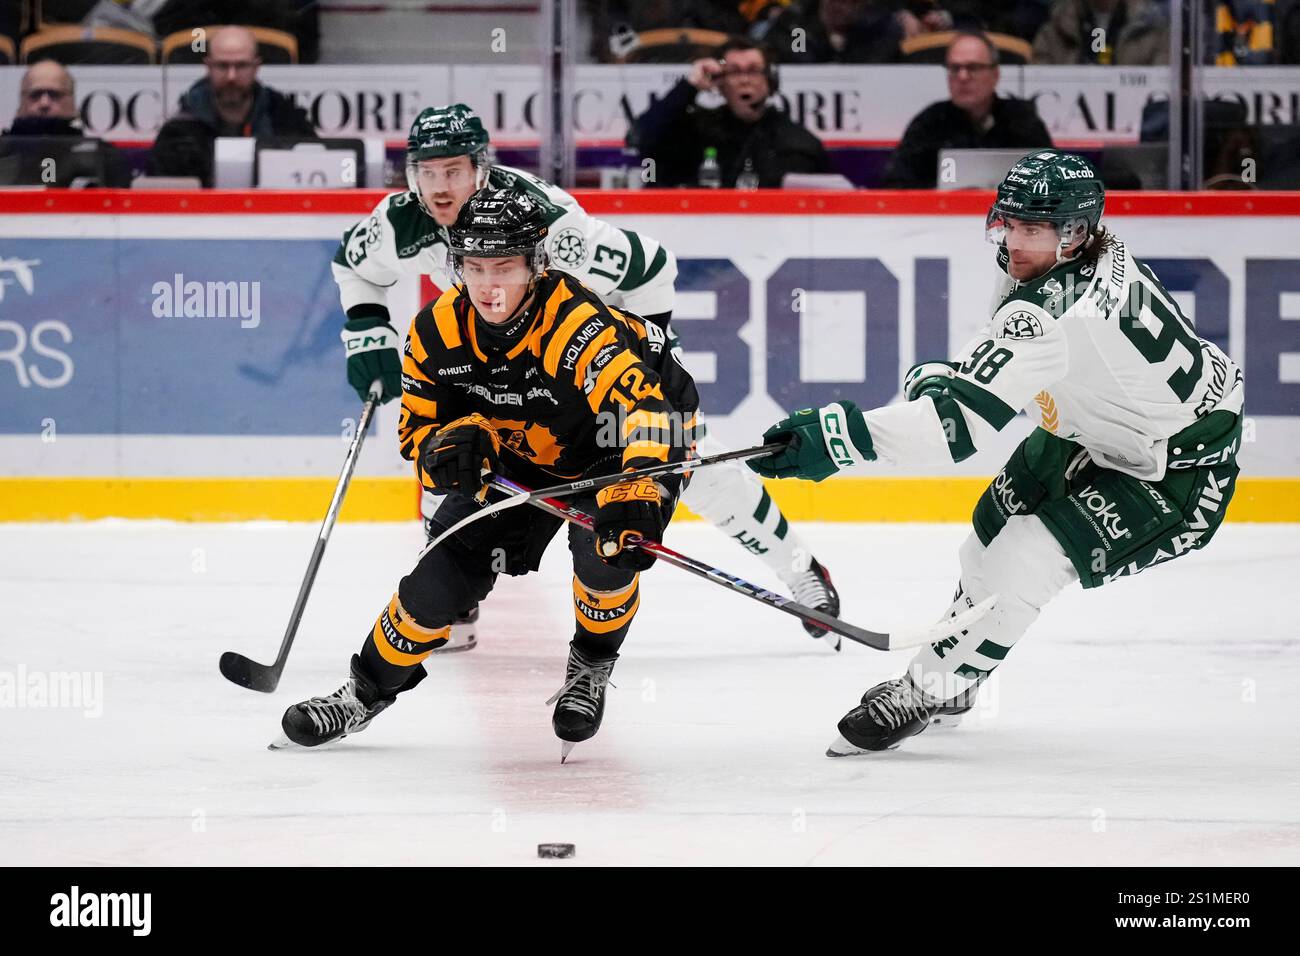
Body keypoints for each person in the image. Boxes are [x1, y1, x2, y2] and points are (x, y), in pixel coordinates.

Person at [749, 150, 1245, 755]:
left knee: (1019, 562)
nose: (1013, 241)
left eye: (1032, 229)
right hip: (1102, 431)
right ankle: (961, 669)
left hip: (1180, 474)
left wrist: (836, 438)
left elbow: (954, 431)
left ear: (1074, 233)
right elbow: (1017, 369)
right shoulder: (1080, 257)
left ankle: (927, 688)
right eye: (1009, 222)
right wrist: (956, 383)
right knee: (988, 530)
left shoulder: (1053, 309)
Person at [335, 103, 841, 652]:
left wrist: (642, 363)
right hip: (500, 361)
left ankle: (800, 571)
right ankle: (457, 600)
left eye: (453, 170)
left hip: (589, 356)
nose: (439, 187)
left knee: (692, 459)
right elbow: (355, 266)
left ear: (482, 167)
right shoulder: (400, 220)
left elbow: (650, 267)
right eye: (426, 172)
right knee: (459, 456)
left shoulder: (547, 219)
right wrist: (368, 336)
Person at [278, 188, 699, 760]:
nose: (489, 285)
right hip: (522, 454)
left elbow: (645, 408)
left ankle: (591, 666)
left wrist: (638, 491)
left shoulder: (574, 323)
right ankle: (362, 693)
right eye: (474, 267)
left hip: (618, 445)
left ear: (536, 263)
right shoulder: (435, 331)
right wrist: (445, 450)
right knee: (438, 584)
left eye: (505, 266)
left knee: (606, 552)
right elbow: (415, 436)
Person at [629, 37, 832, 188]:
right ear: (720, 83)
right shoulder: (698, 130)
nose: (745, 80)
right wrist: (689, 86)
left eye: (753, 71)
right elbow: (640, 138)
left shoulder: (797, 144)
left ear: (770, 82)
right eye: (734, 72)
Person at [881, 30, 1053, 188]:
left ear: (995, 75)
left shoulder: (1021, 119)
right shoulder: (930, 122)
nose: (962, 77)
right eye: (954, 68)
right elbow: (895, 183)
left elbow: (1056, 178)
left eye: (973, 67)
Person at [147, 25, 316, 186]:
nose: (231, 77)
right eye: (222, 66)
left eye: (241, 66)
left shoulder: (288, 122)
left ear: (256, 67)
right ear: (208, 67)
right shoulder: (178, 133)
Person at [0, 61, 130, 186]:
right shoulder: (2, 153)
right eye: (35, 95)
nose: (44, 103)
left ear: (73, 104)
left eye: (55, 95)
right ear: (20, 103)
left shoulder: (105, 159)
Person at [1031, 0, 1169, 66]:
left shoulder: (1153, 28)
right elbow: (1039, 77)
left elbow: (1162, 92)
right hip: (1065, 120)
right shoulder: (1055, 28)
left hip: (1139, 119)